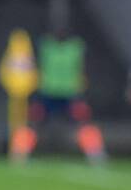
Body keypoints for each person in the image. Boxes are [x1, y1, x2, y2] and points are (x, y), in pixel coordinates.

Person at [11, 24, 106, 163]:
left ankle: (95, 153)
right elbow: (31, 63)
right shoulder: (45, 46)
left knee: (84, 123)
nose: (60, 33)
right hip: (47, 92)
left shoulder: (76, 47)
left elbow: (85, 67)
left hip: (71, 93)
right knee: (33, 123)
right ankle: (20, 152)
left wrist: (83, 85)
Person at [0, 28, 38, 151]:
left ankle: (22, 147)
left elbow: (33, 75)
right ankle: (15, 147)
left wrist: (28, 88)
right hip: (14, 95)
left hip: (25, 95)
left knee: (23, 123)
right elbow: (4, 74)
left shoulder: (24, 57)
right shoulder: (15, 56)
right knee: (15, 122)